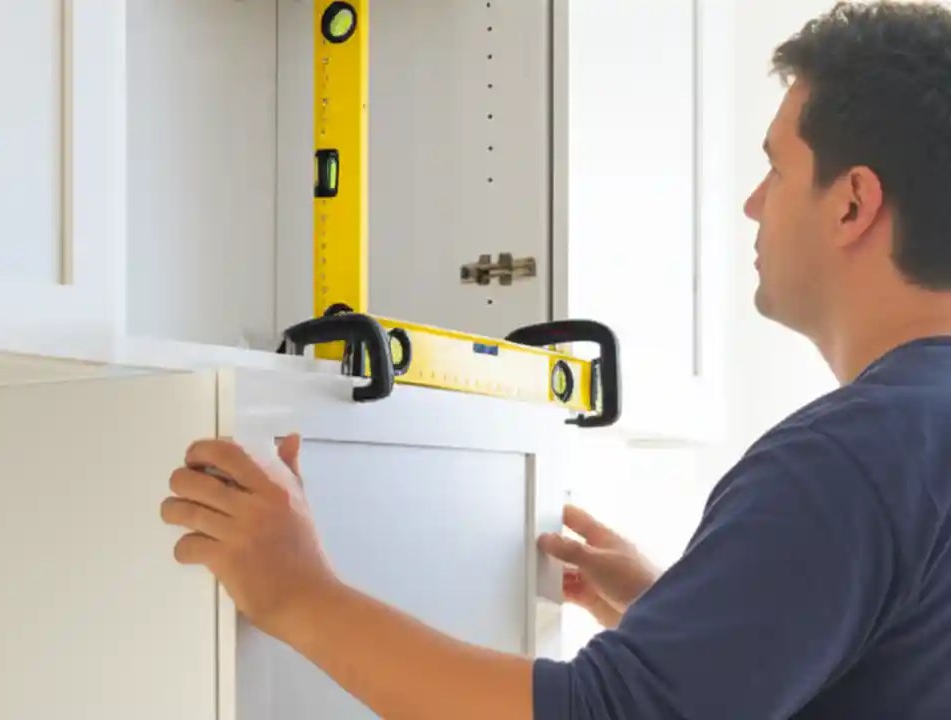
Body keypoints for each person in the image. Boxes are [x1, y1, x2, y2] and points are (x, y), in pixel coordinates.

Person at [160, 2, 951, 717]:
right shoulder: (904, 447)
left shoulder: (848, 459)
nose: (753, 202)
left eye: (776, 169)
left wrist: (298, 595)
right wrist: (678, 622)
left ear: (852, 202)